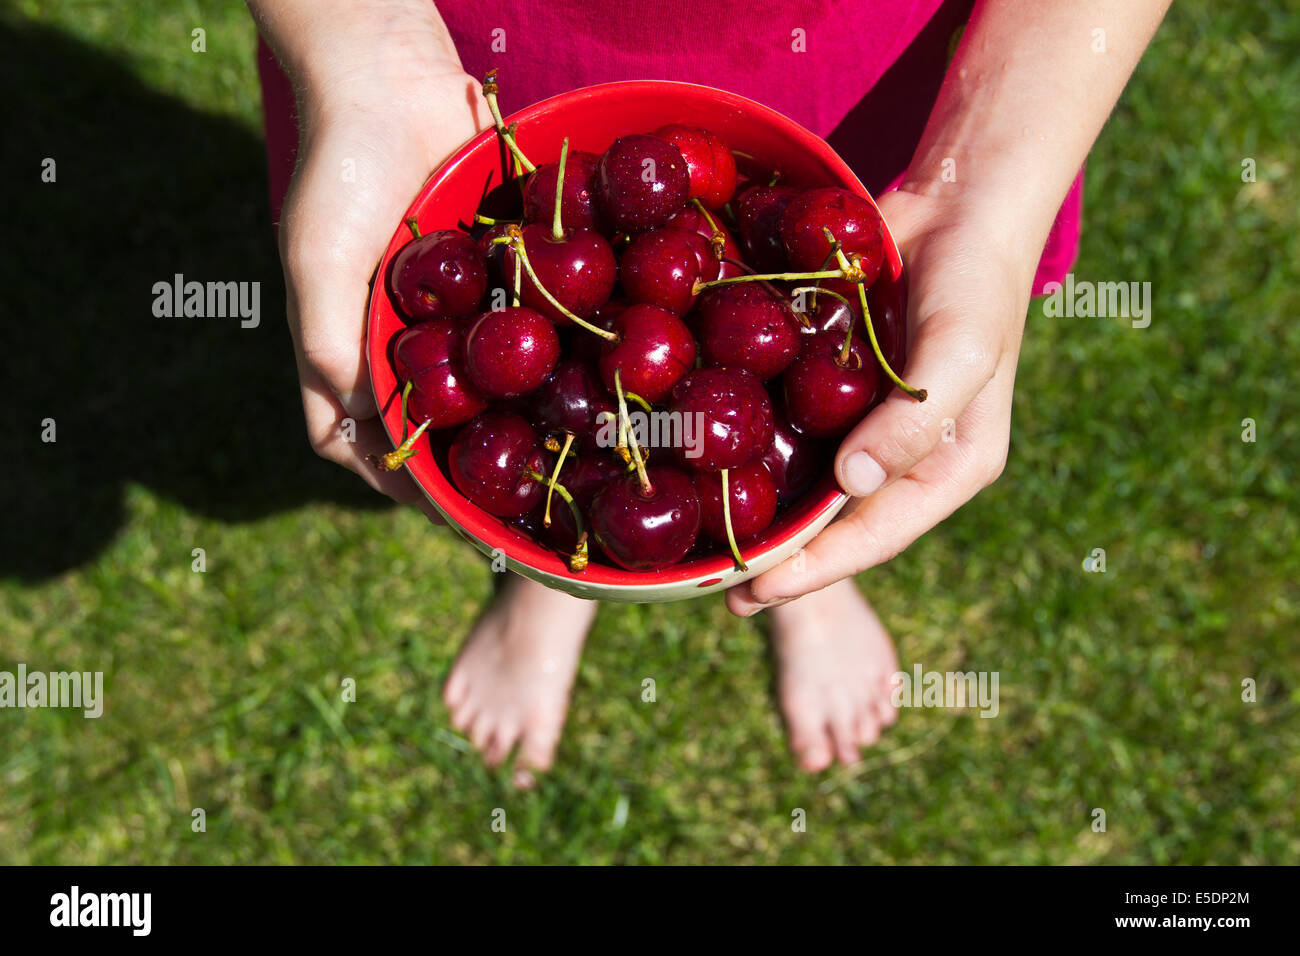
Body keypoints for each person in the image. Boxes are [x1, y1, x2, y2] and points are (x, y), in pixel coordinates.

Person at [248, 0, 1170, 785]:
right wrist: (366, 52)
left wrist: (986, 184)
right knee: (566, 474)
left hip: (863, 60)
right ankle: (559, 571)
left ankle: (792, 566)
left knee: (809, 429)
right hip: (480, 51)